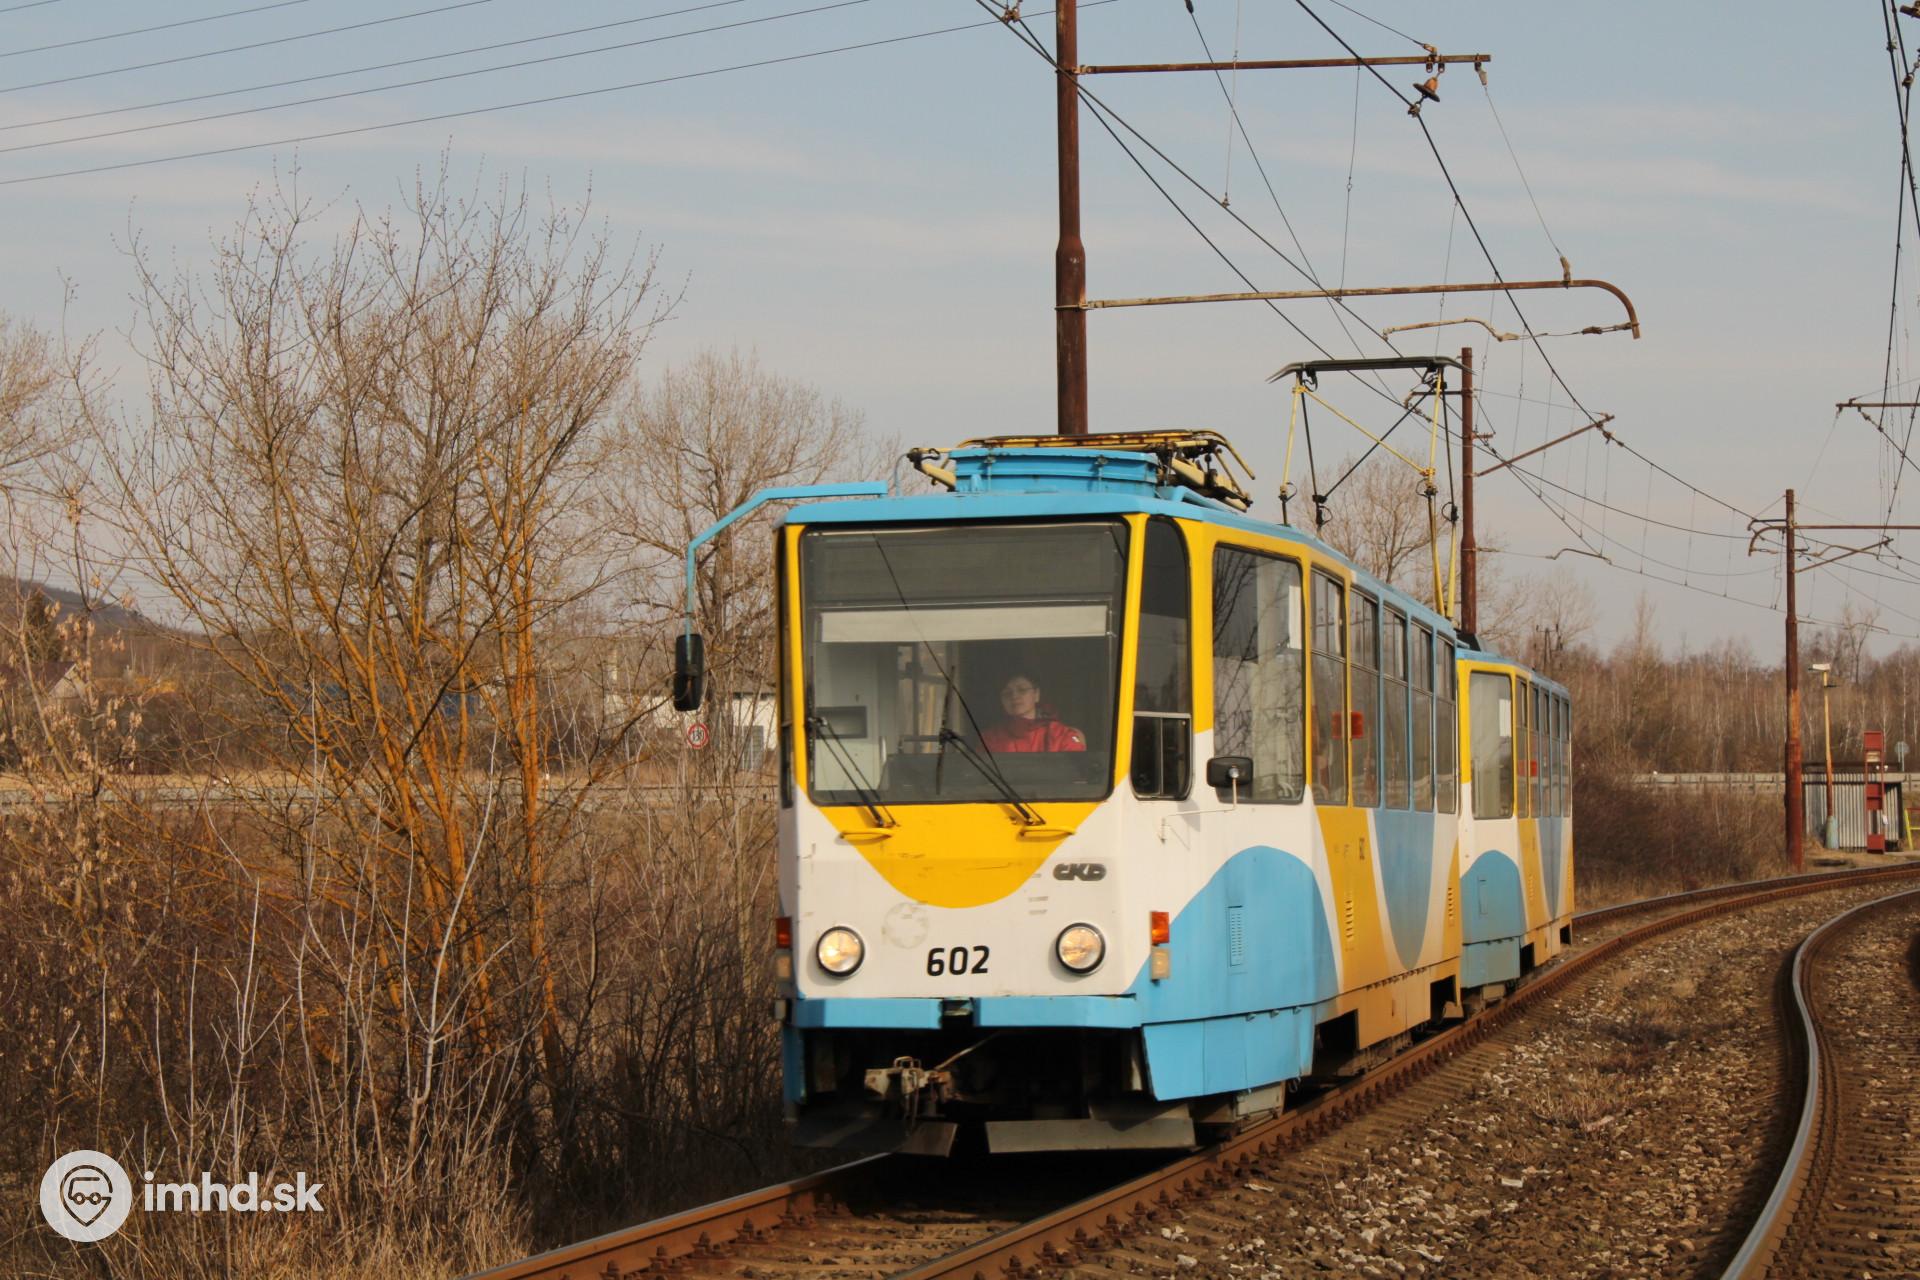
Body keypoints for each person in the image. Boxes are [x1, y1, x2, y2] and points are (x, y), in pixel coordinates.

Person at [983, 672, 1086, 753]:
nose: (1014, 696)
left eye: (1022, 690)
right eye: (1007, 692)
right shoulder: (990, 738)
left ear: (1036, 694)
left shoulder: (1061, 734)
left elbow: (1075, 770)